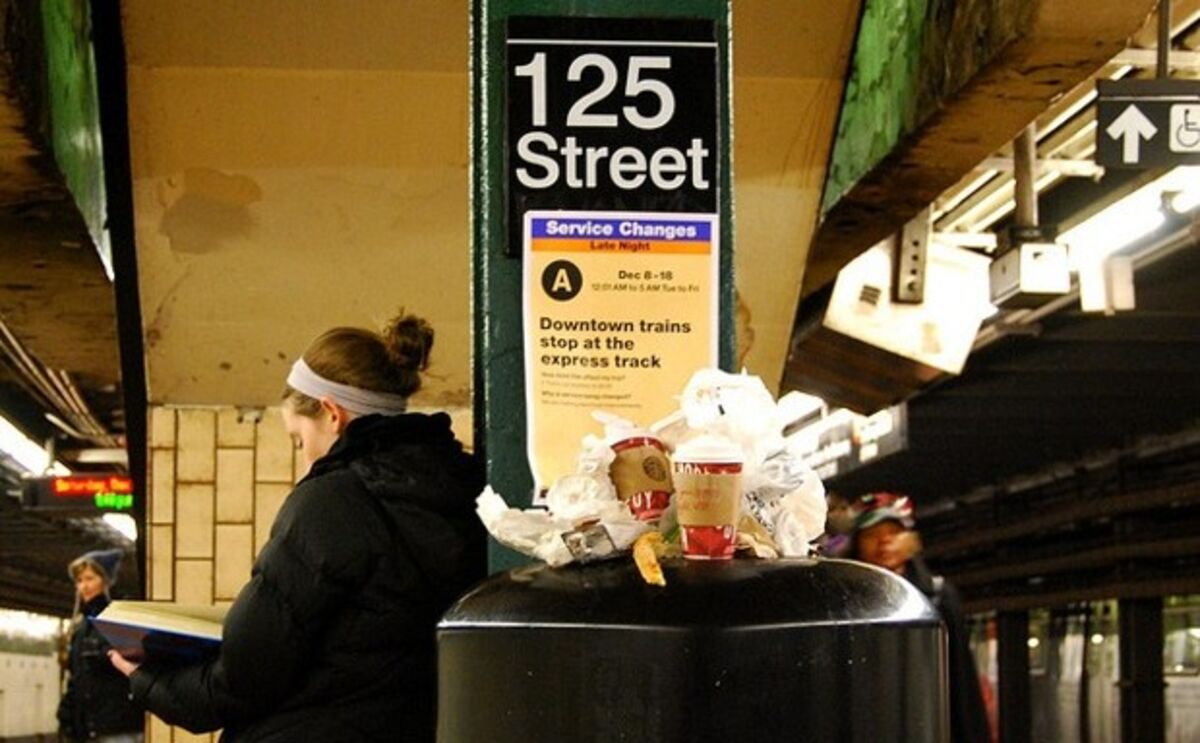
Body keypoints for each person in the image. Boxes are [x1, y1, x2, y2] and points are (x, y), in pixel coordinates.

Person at [110, 312, 487, 742]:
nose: (304, 460)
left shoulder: (331, 502)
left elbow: (246, 676)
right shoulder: (462, 487)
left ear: (331, 413)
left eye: (299, 440)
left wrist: (147, 679)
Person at [847, 493, 991, 743]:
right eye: (872, 535)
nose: (884, 543)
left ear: (910, 540)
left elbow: (962, 683)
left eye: (893, 533)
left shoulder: (937, 596)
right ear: (857, 545)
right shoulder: (846, 602)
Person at [58, 548, 145, 743]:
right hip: (89, 727)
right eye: (80, 581)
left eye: (90, 579)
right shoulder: (82, 628)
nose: (84, 586)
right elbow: (77, 675)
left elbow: (133, 664)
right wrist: (67, 712)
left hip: (118, 726)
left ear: (105, 581)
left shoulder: (120, 619)